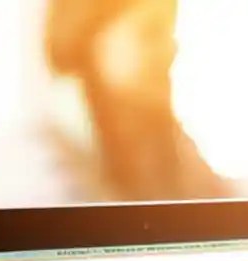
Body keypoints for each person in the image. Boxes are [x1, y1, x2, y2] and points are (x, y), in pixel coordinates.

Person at [41, 0, 230, 203]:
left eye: (170, 31)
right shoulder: (43, 161)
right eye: (151, 33)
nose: (171, 48)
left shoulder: (173, 146)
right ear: (90, 40)